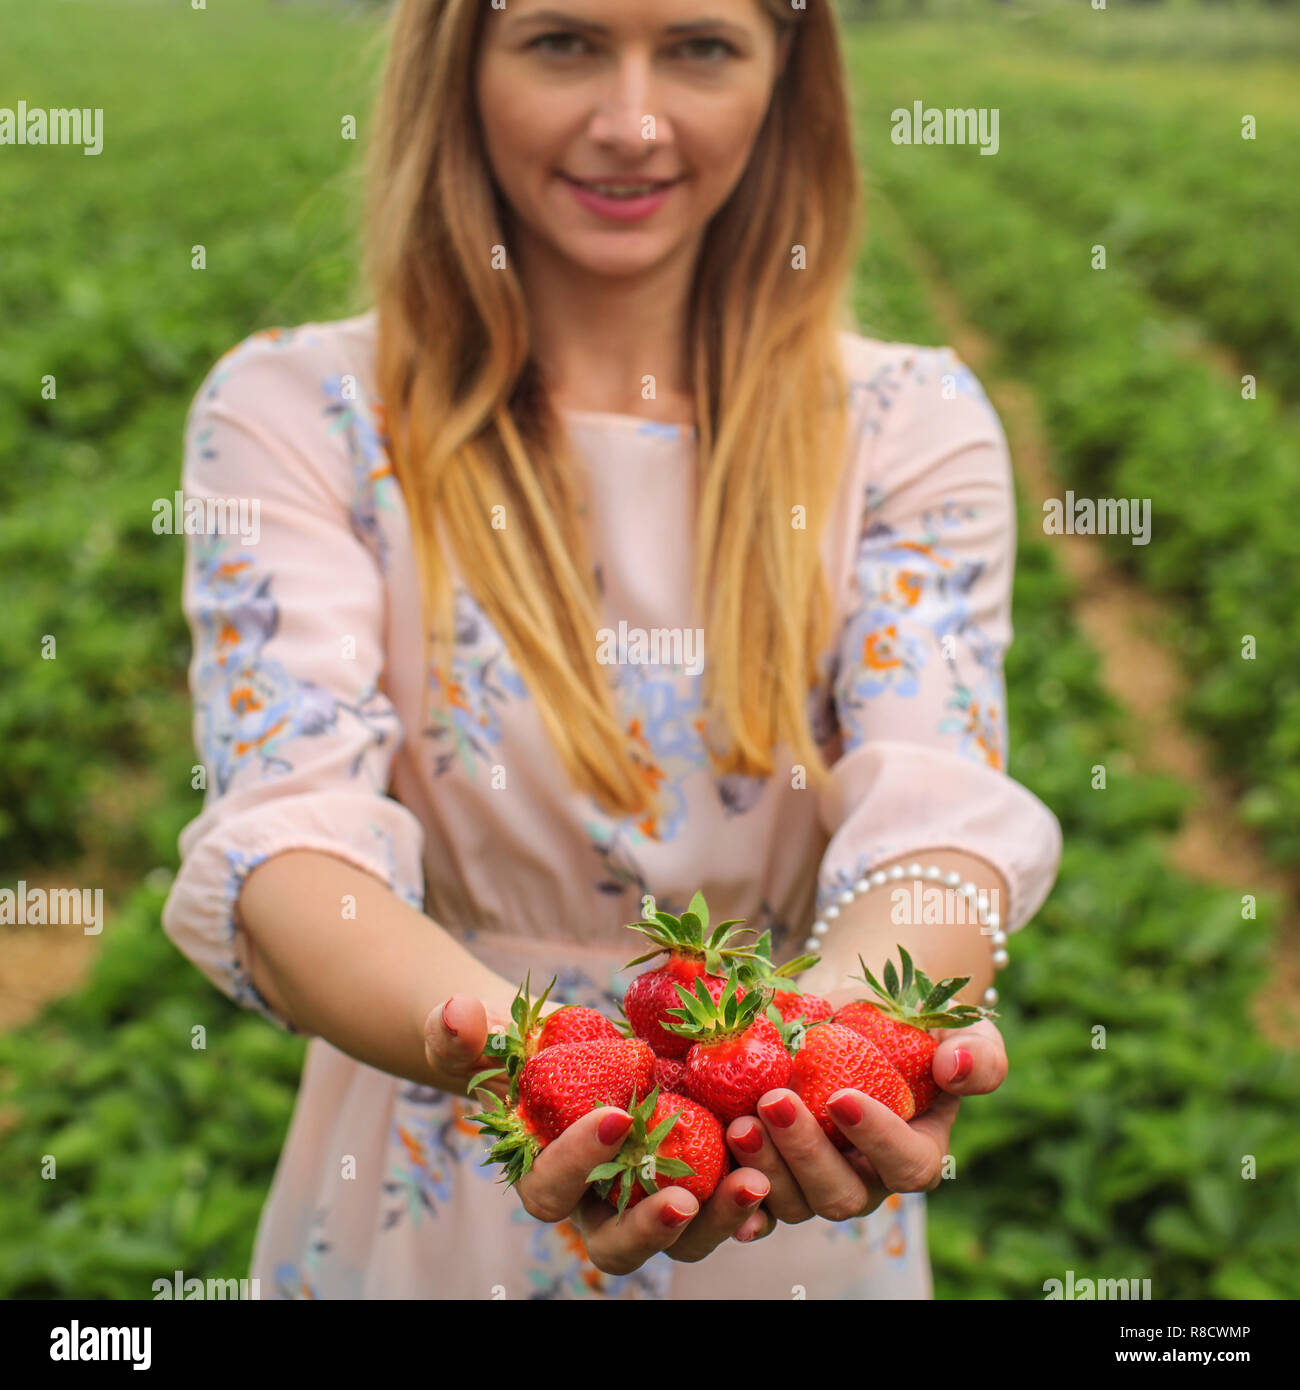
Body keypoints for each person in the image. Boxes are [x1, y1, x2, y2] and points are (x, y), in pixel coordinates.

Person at [162, 0, 1062, 1299]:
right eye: (563, 40)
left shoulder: (906, 427)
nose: (632, 123)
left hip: (774, 1181)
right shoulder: (300, 413)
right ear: (459, 66)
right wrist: (535, 1056)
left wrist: (843, 1036)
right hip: (444, 1154)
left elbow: (936, 812)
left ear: (783, 80)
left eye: (699, 46)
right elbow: (291, 838)